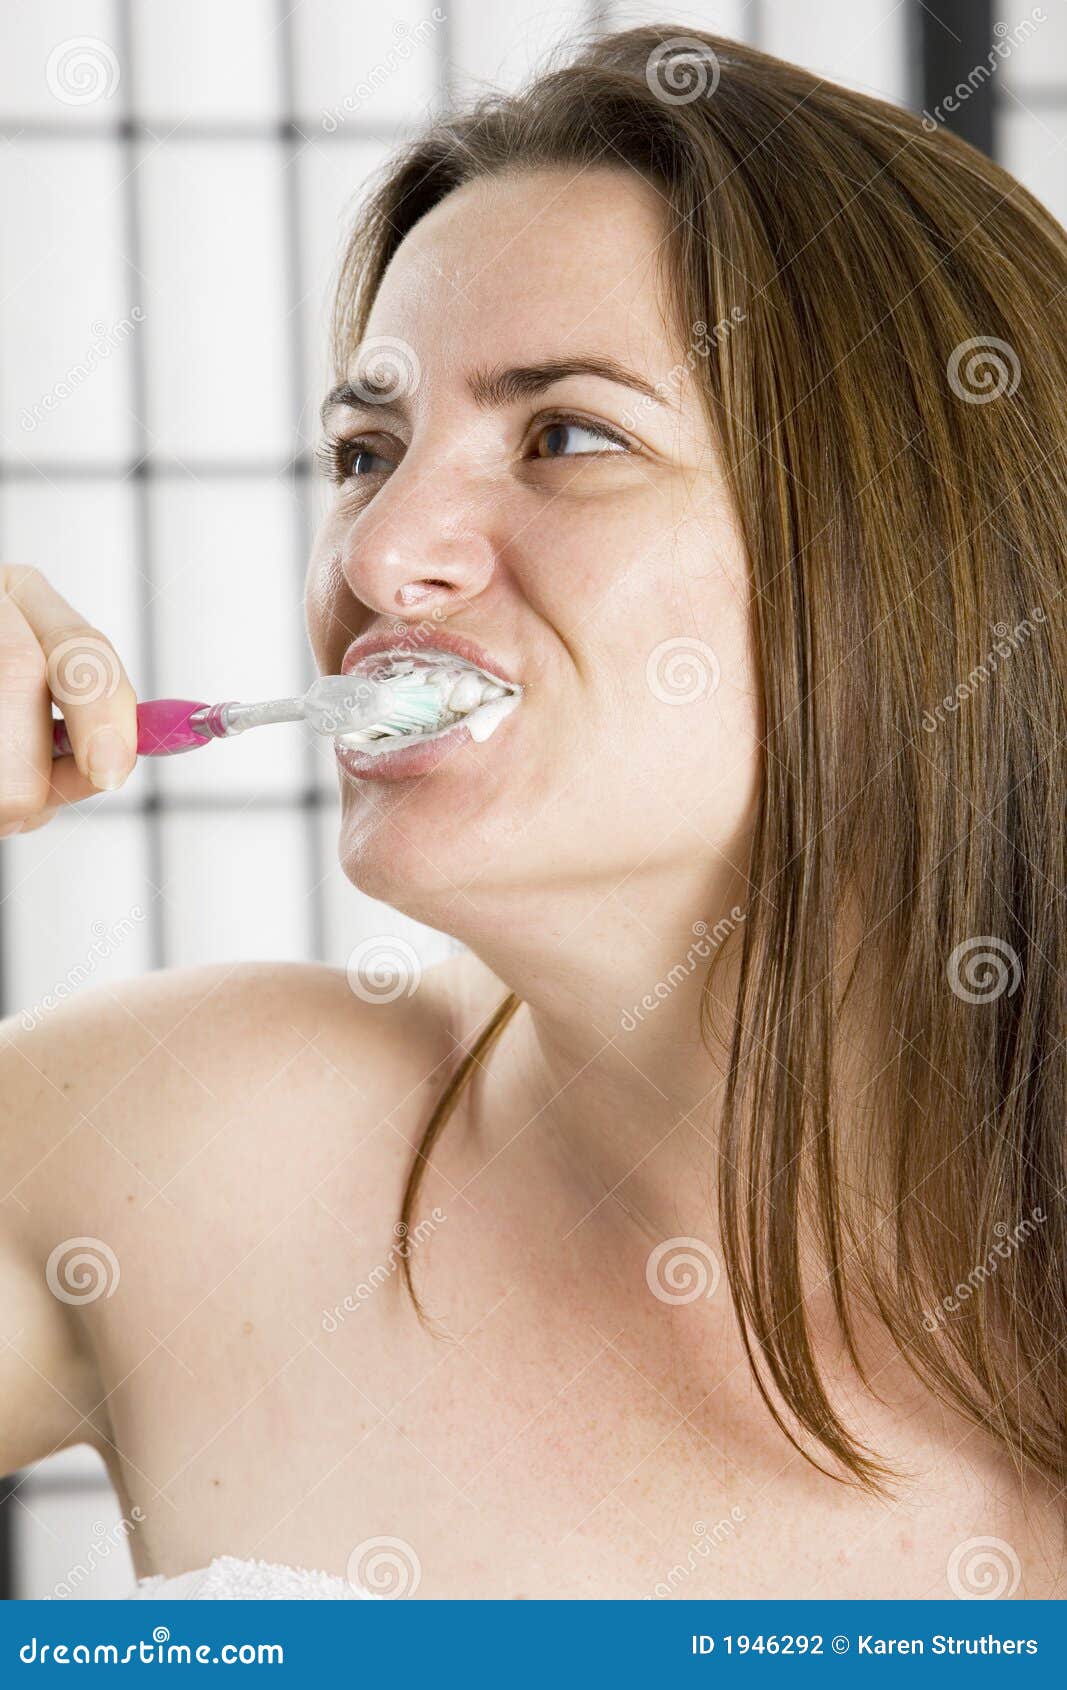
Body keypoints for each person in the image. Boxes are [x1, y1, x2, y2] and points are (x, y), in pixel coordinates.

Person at [2, 25, 1064, 1599]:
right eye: (365, 451)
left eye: (567, 436)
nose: (378, 556)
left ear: (915, 563)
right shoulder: (174, 1148)